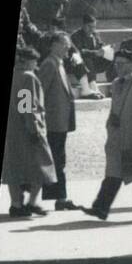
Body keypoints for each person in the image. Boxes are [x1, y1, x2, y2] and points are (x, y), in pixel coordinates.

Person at [82, 49, 132, 221]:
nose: (117, 67)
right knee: (114, 172)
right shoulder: (116, 83)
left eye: (121, 64)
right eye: (116, 63)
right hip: (119, 136)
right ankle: (101, 207)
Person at [4, 48, 58, 217]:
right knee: (41, 165)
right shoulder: (28, 77)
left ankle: (16, 204)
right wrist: (34, 128)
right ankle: (32, 202)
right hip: (28, 129)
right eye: (34, 61)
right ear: (27, 61)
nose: (36, 64)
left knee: (14, 168)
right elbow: (26, 106)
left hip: (13, 129)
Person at [38, 33, 83, 211]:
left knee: (58, 159)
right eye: (65, 44)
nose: (68, 48)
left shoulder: (59, 63)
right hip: (53, 122)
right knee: (56, 160)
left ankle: (59, 197)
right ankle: (60, 198)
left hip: (59, 122)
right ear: (54, 45)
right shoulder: (49, 64)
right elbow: (37, 91)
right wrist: (29, 116)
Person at [70, 14, 108, 99]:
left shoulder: (95, 35)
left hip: (92, 64)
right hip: (77, 64)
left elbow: (100, 46)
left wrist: (105, 50)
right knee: (82, 58)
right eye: (89, 26)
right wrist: (94, 52)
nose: (92, 29)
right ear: (83, 25)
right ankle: (86, 89)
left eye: (94, 27)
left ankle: (94, 86)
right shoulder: (76, 36)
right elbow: (78, 51)